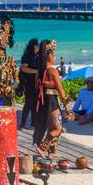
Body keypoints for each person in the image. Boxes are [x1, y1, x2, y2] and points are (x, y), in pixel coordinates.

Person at [31, 40, 67, 170]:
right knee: (58, 128)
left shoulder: (39, 70)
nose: (55, 57)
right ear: (49, 56)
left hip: (43, 101)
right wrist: (67, 107)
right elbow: (60, 89)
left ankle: (49, 150)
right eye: (54, 54)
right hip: (52, 100)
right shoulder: (52, 70)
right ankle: (42, 148)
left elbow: (36, 86)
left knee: (51, 126)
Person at [18, 38, 40, 128]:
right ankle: (22, 123)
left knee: (36, 103)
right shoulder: (27, 56)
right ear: (34, 46)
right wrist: (36, 72)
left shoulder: (39, 56)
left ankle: (34, 122)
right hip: (29, 82)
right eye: (38, 45)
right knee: (28, 103)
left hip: (37, 83)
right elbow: (23, 68)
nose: (39, 46)